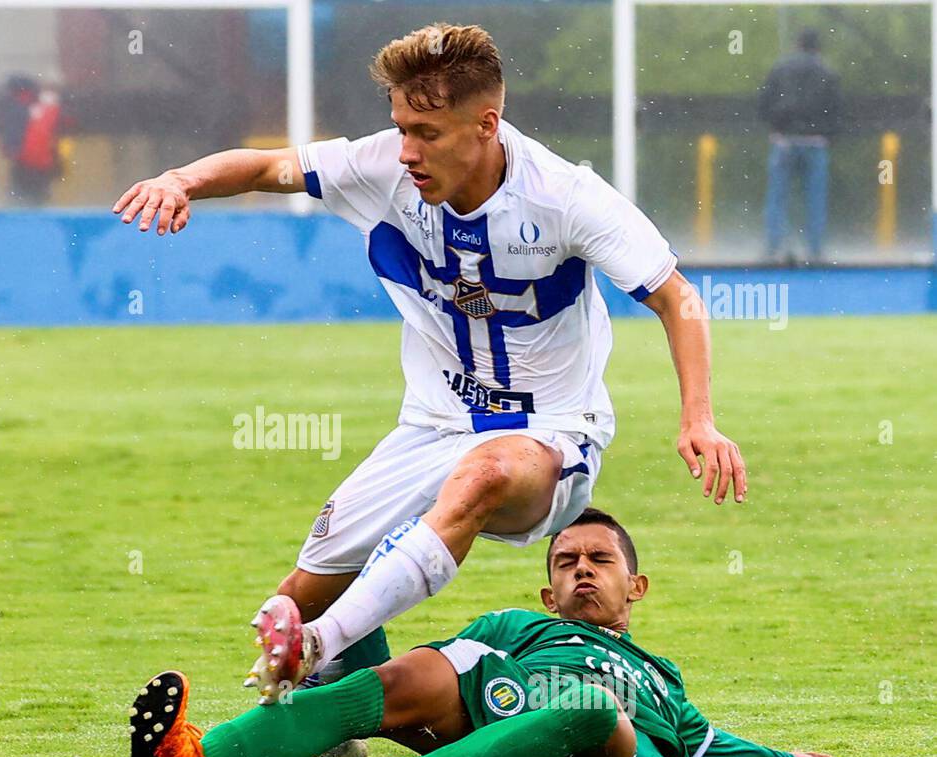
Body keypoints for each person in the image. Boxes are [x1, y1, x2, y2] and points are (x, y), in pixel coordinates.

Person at [113, 23, 747, 717]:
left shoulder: (567, 197)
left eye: (427, 132)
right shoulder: (381, 165)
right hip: (430, 427)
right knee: (296, 595)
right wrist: (179, 180)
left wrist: (699, 417)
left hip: (554, 433)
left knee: (482, 477)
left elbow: (676, 297)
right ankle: (310, 720)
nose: (407, 150)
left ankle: (319, 646)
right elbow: (267, 168)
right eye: (400, 127)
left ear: (486, 124)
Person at [122, 508, 836, 757]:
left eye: (600, 561)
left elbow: (717, 747)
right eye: (566, 562)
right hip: (501, 717)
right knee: (427, 669)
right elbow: (440, 682)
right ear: (547, 588)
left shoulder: (660, 677)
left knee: (590, 707)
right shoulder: (520, 625)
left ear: (635, 586)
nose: (582, 570)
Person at [758, 28, 841, 264]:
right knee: (815, 198)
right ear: (818, 47)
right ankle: (815, 250)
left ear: (797, 44)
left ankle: (774, 248)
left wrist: (777, 126)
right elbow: (835, 110)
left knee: (777, 196)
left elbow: (764, 104)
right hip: (816, 141)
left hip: (784, 140)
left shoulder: (781, 69)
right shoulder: (828, 72)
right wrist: (827, 134)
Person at [0, 75, 69, 205]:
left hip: (26, 164)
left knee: (21, 201)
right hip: (38, 166)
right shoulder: (44, 108)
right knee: (35, 200)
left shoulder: (21, 106)